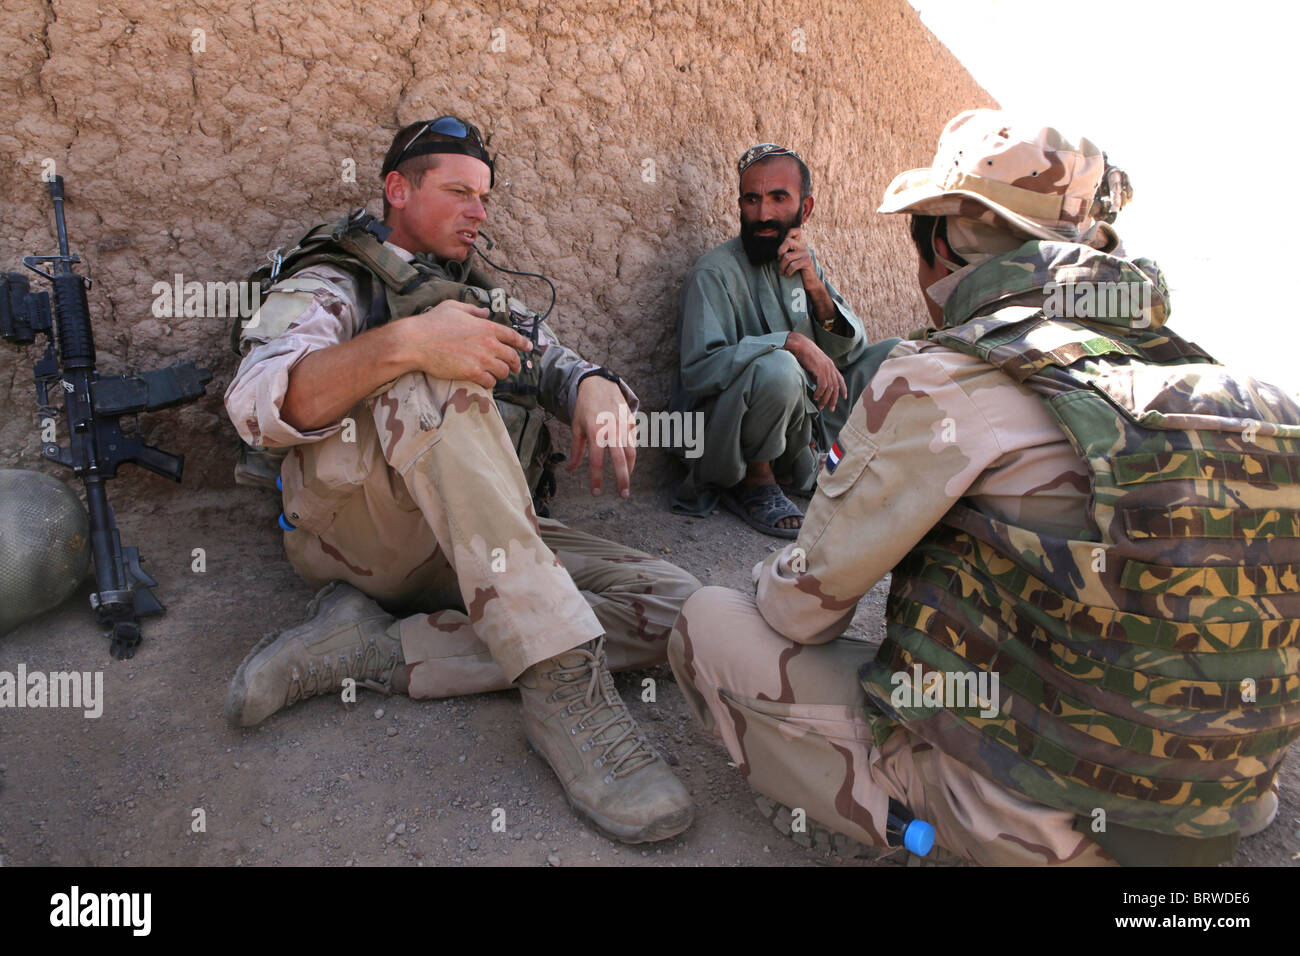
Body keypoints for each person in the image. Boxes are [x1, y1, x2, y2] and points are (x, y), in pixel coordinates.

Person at [668, 109, 1300, 865]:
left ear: (942, 239)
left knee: (708, 618)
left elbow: (803, 612)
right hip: (1220, 809)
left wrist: (785, 570)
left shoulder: (946, 379)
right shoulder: (1254, 398)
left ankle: (883, 811)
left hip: (1034, 823)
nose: (764, 214)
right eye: (752, 200)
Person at [223, 115, 700, 844]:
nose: (479, 213)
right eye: (458, 192)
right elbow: (256, 405)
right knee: (437, 375)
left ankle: (375, 652)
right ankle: (564, 690)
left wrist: (597, 387)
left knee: (682, 612)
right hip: (361, 534)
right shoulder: (334, 278)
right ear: (398, 190)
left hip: (476, 547)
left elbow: (552, 362)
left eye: (485, 197)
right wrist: (408, 344)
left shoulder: (470, 293)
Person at [670, 143, 898, 537]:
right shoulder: (714, 273)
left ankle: (837, 462)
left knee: (896, 356)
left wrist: (817, 291)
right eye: (752, 199)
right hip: (727, 437)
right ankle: (758, 483)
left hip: (806, 420)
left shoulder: (800, 263)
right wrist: (788, 341)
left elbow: (850, 351)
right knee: (778, 366)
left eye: (778, 198)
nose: (763, 214)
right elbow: (699, 372)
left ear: (804, 209)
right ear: (740, 205)